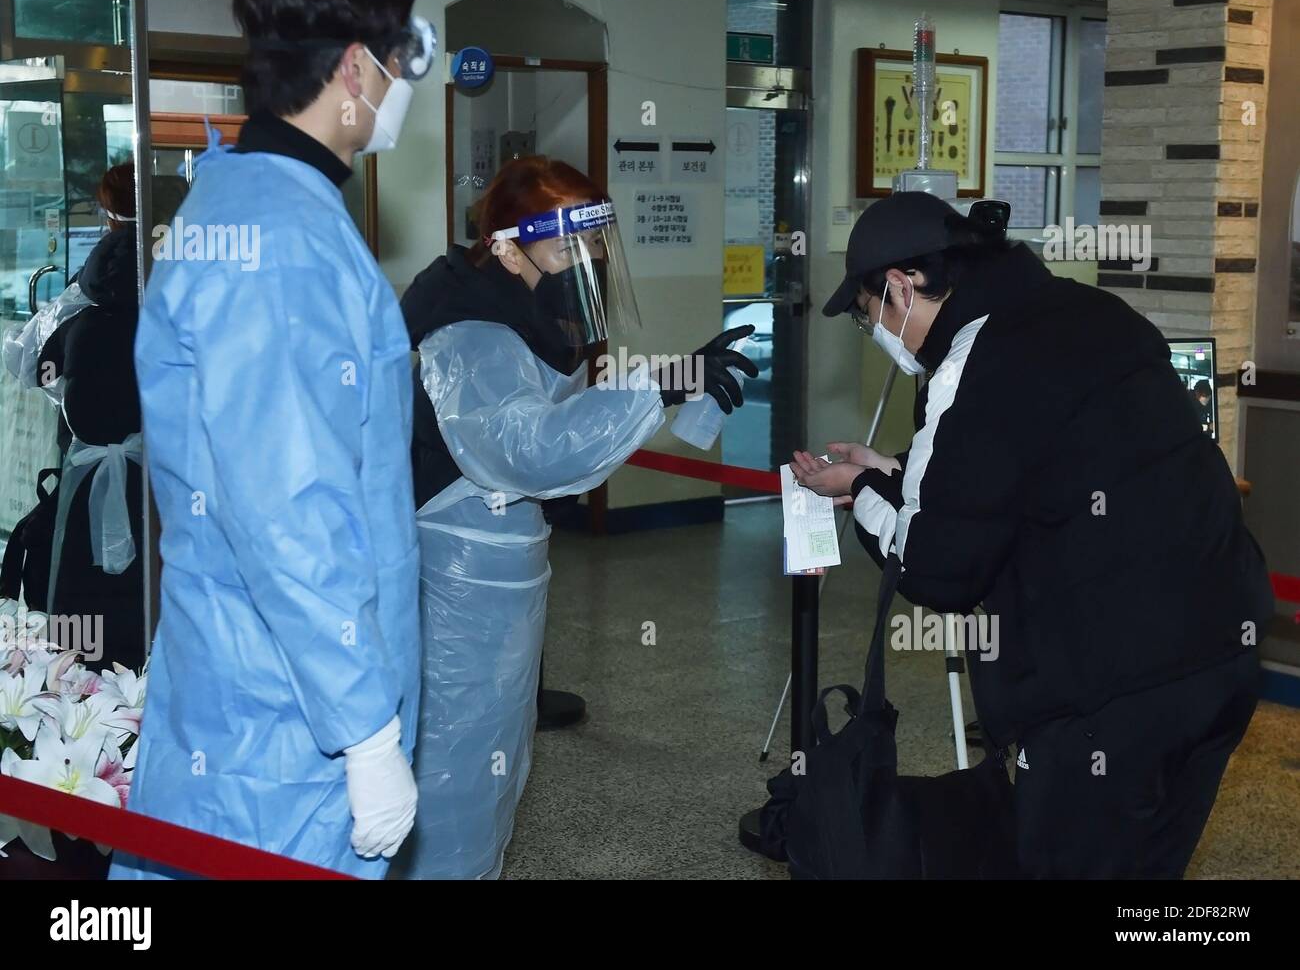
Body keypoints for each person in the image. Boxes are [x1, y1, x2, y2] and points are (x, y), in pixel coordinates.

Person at [795, 191, 1273, 879]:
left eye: (869, 314)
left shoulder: (972, 358)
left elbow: (935, 567)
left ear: (901, 286)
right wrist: (895, 473)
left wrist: (859, 490)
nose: (874, 330)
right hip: (1223, 654)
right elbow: (1027, 475)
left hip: (1110, 695)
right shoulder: (1088, 312)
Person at [109, 0, 436, 880]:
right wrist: (367, 731)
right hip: (288, 733)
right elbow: (290, 510)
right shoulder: (283, 240)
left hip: (245, 696)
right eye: (399, 59)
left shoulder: (242, 200)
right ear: (351, 69)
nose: (402, 85)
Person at [393, 155, 756, 879]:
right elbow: (526, 445)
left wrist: (676, 379)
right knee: (457, 773)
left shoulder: (509, 309)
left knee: (494, 758)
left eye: (593, 245)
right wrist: (658, 383)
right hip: (459, 578)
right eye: (568, 246)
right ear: (505, 244)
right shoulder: (470, 329)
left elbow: (549, 416)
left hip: (494, 570)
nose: (585, 261)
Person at [1, 164, 144, 669]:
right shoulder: (177, 292)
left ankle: (79, 695)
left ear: (107, 217)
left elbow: (25, 361)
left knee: (81, 601)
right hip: (163, 482)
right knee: (150, 595)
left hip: (83, 475)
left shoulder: (82, 301)